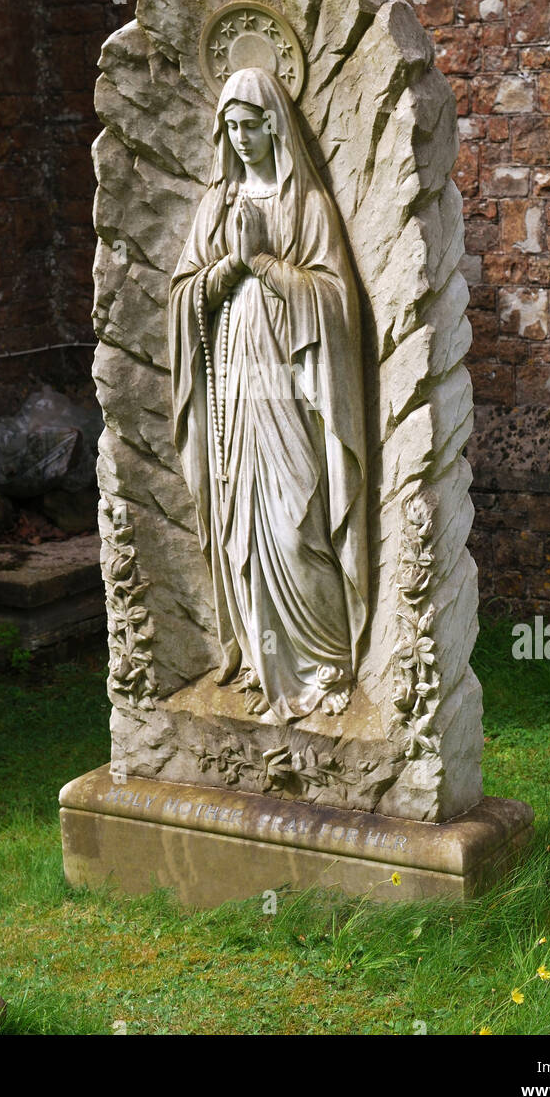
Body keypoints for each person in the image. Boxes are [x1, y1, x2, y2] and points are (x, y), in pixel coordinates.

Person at [168, 67, 368, 721]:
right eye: (231, 127)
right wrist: (226, 269)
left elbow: (337, 303)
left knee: (292, 524)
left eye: (252, 124)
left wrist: (265, 266)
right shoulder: (217, 205)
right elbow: (181, 296)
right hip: (232, 385)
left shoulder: (306, 206)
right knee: (242, 529)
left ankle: (327, 659)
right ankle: (263, 658)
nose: (242, 137)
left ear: (275, 125)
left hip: (289, 387)